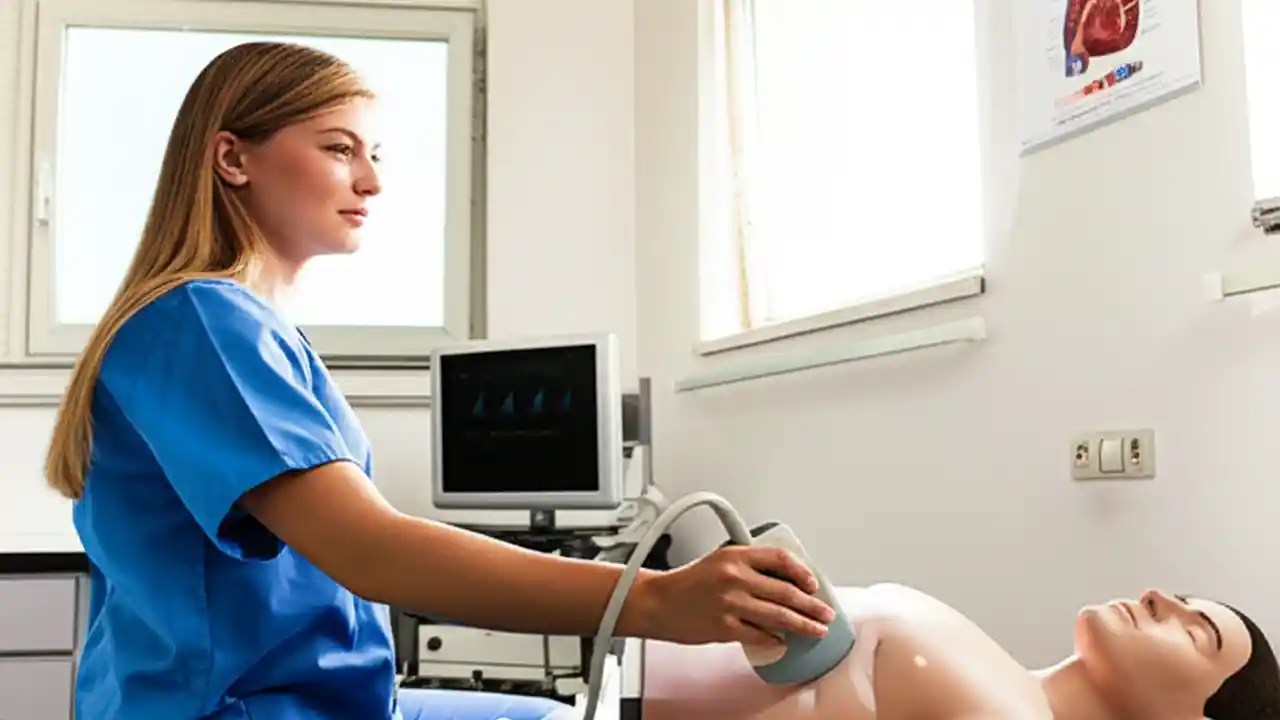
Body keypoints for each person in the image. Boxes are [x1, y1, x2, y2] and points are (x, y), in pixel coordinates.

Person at [42, 42, 837, 719]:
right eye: (339, 148)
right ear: (232, 158)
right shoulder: (202, 324)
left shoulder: (240, 328)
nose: (373, 182)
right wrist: (656, 601)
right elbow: (371, 551)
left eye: (375, 155)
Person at [641, 582, 1280, 719]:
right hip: (613, 686)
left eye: (1197, 632)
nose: (1160, 597)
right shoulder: (1008, 686)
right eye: (1184, 596)